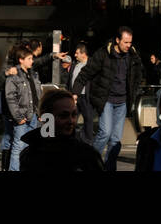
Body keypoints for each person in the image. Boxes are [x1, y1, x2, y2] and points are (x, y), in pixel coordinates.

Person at [72, 26, 142, 171]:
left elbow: (138, 74)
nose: (129, 46)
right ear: (117, 40)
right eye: (126, 42)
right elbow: (85, 73)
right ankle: (91, 161)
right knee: (105, 133)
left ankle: (110, 167)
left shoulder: (132, 55)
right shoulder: (103, 54)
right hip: (107, 100)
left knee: (116, 139)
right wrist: (75, 93)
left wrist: (134, 91)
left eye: (130, 42)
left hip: (122, 102)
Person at [19, 89, 104, 172]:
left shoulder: (87, 155)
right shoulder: (29, 156)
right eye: (64, 116)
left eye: (74, 114)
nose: (71, 121)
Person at [5, 48, 41, 171]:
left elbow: (37, 94)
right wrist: (19, 117)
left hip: (33, 116)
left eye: (32, 58)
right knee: (18, 146)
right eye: (29, 59)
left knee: (29, 147)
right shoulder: (14, 75)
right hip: (22, 117)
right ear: (21, 60)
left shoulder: (33, 74)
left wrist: (40, 111)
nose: (32, 61)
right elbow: (10, 97)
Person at [68, 42, 94, 144]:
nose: (75, 55)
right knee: (72, 119)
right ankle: (72, 139)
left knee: (88, 119)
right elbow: (69, 81)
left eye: (77, 53)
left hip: (86, 96)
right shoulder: (74, 66)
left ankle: (88, 141)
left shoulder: (91, 64)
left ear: (83, 54)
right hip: (74, 97)